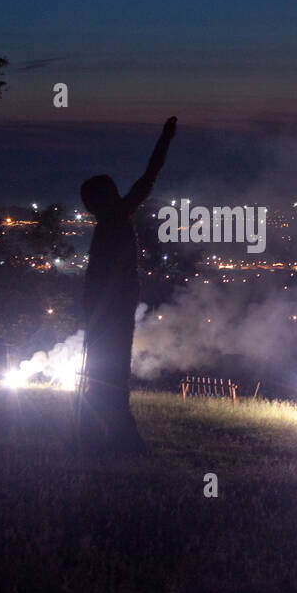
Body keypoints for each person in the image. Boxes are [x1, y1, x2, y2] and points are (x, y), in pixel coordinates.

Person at [77, 117, 178, 453]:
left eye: (90, 201)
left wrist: (165, 136)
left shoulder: (117, 217)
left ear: (103, 198)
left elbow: (150, 174)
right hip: (107, 311)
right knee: (102, 373)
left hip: (113, 311)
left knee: (109, 375)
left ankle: (118, 438)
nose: (87, 208)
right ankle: (98, 435)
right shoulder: (110, 221)